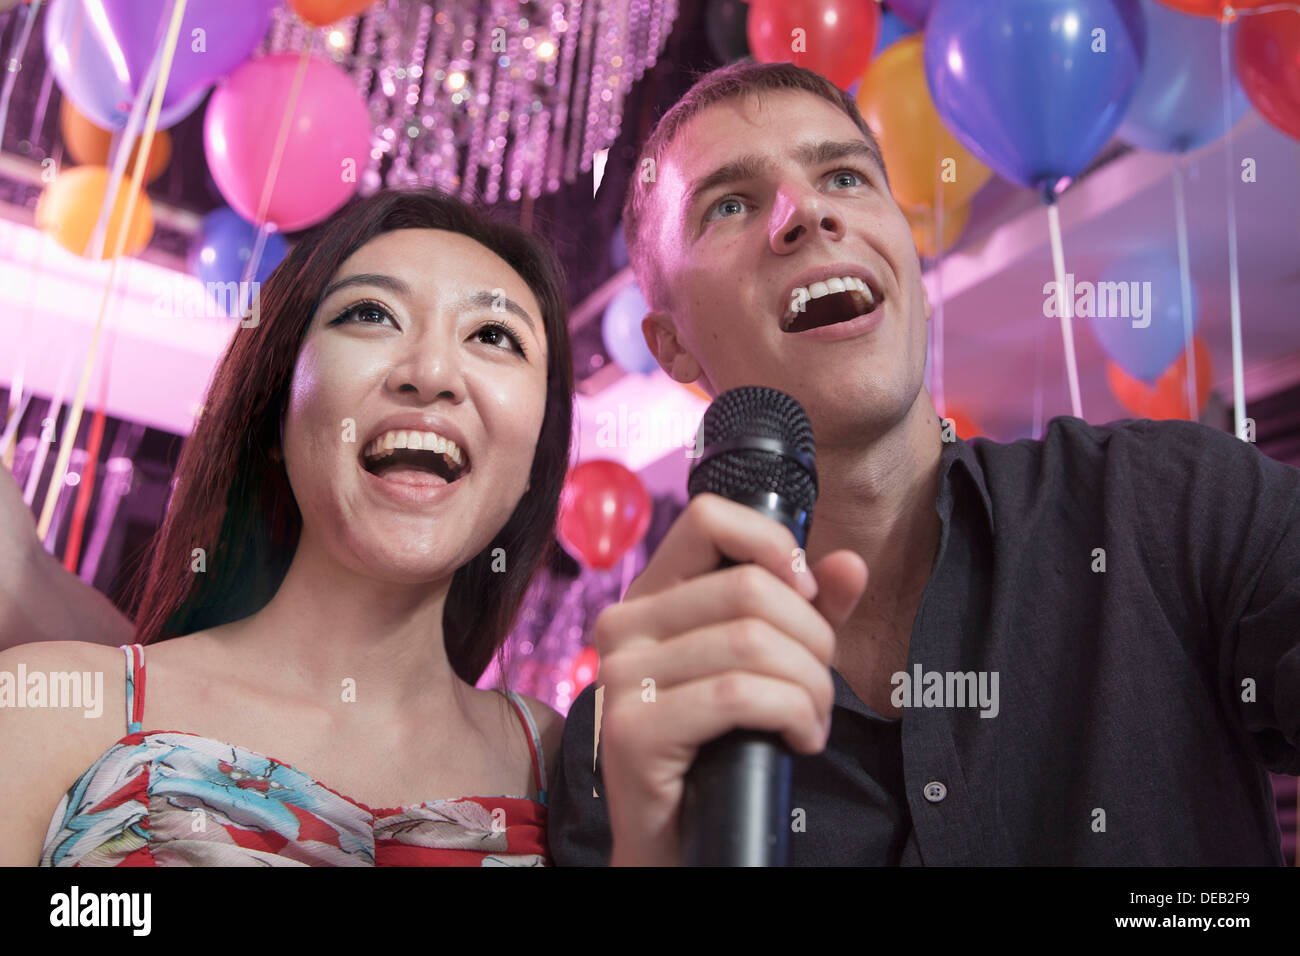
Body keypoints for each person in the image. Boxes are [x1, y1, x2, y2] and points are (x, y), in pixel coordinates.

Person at [548, 61, 1300, 866]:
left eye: (843, 174)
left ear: (910, 259)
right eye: (731, 204)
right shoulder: (628, 734)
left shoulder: (1175, 504)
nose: (807, 214)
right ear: (669, 344)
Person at [0, 187, 574, 866]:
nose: (432, 373)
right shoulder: (54, 710)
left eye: (494, 336)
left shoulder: (568, 770)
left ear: (537, 458)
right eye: (371, 313)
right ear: (275, 411)